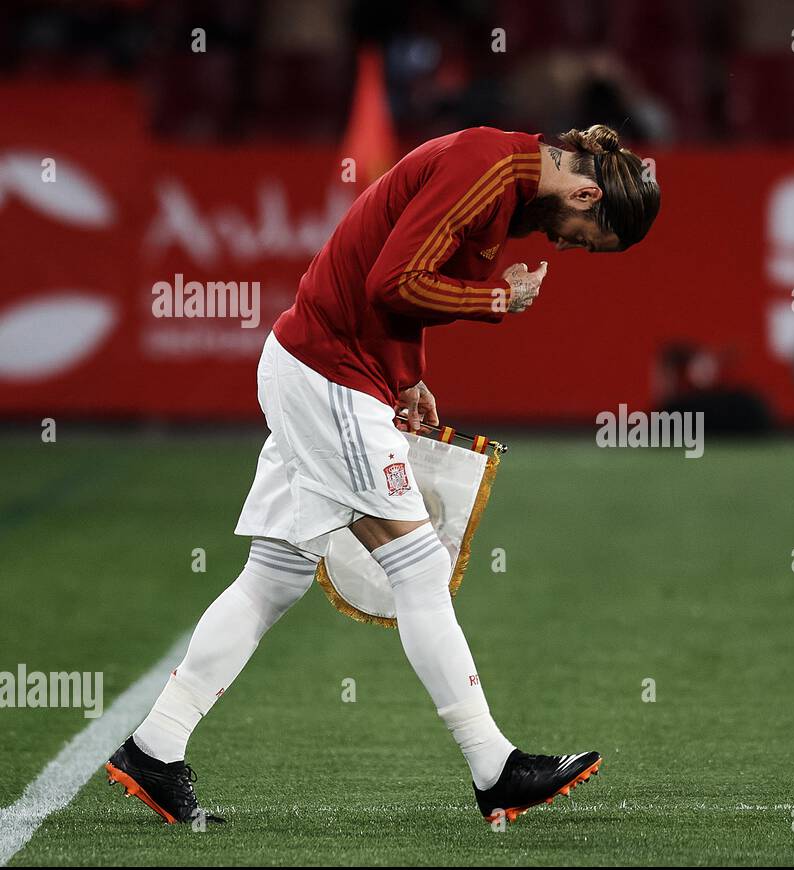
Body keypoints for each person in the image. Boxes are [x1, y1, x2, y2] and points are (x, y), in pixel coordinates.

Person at [104, 123, 660, 827]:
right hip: (326, 375)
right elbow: (394, 281)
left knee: (274, 574)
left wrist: (408, 379)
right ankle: (494, 768)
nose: (565, 246)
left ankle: (154, 747)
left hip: (322, 368)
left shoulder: (503, 180)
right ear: (585, 190)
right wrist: (494, 302)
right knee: (419, 569)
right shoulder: (487, 169)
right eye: (584, 235)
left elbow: (398, 283)